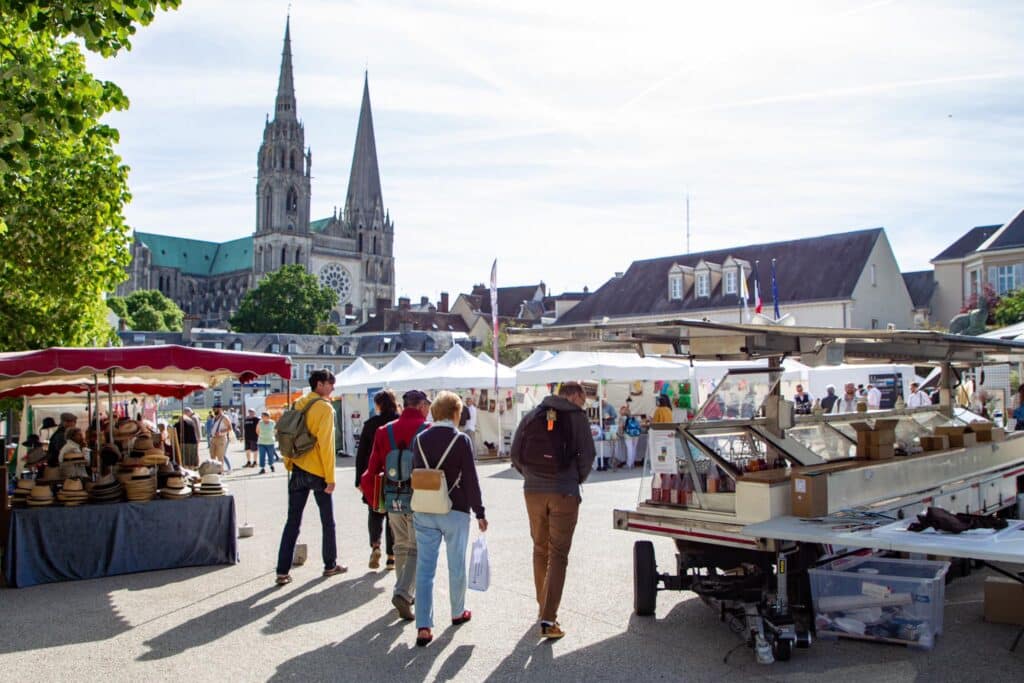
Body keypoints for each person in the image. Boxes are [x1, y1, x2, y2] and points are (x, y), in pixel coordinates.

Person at [510, 381, 596, 640]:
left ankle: (542, 607)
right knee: (558, 554)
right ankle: (549, 619)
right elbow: (588, 455)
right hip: (564, 491)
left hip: (533, 490)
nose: (583, 402)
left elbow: (515, 454)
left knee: (540, 548)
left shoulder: (532, 414)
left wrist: (530, 476)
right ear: (572, 395)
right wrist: (575, 478)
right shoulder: (576, 417)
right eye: (582, 397)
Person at [410, 391, 487, 647]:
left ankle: (423, 625)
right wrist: (480, 512)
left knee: (425, 569)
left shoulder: (419, 439)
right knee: (456, 565)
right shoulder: (461, 440)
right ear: (455, 413)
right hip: (455, 508)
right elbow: (471, 480)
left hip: (424, 507)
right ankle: (457, 612)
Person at [360, 389, 431, 621]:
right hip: (420, 497)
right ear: (421, 406)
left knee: (400, 546)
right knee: (418, 548)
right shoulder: (427, 431)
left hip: (392, 498)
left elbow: (371, 471)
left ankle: (404, 593)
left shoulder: (384, 431)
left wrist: (374, 502)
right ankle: (405, 593)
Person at [275, 369, 345, 585]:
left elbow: (288, 437)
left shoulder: (299, 403)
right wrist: (330, 477)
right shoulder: (324, 408)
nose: (333, 387)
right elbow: (327, 444)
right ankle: (330, 564)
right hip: (317, 471)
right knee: (327, 521)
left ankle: (282, 571)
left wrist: (289, 463)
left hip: (296, 467)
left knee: (293, 521)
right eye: (330, 383)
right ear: (320, 384)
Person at [355, 389, 400, 570]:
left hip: (373, 474)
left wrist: (358, 479)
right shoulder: (399, 422)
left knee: (374, 511)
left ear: (378, 405)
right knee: (393, 515)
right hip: (396, 475)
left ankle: (375, 546)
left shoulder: (371, 424)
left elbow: (361, 454)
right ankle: (391, 557)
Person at [209, 405, 233, 471]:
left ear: (220, 409)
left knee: (220, 456)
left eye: (215, 409)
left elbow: (230, 428)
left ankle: (220, 470)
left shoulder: (224, 417)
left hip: (221, 438)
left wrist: (221, 432)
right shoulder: (214, 418)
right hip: (213, 438)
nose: (214, 410)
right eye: (213, 409)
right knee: (212, 455)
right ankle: (213, 470)